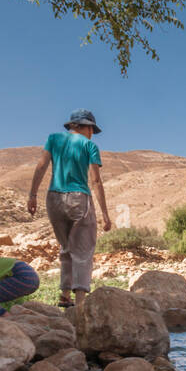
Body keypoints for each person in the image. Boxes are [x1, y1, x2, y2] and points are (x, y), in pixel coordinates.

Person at [27, 108, 112, 308]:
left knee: (66, 248)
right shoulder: (89, 146)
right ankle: (80, 303)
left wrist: (32, 195)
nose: (92, 134)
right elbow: (96, 181)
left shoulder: (53, 139)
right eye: (92, 129)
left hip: (53, 198)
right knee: (83, 250)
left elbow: (41, 166)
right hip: (78, 198)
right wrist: (106, 215)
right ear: (85, 127)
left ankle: (65, 295)